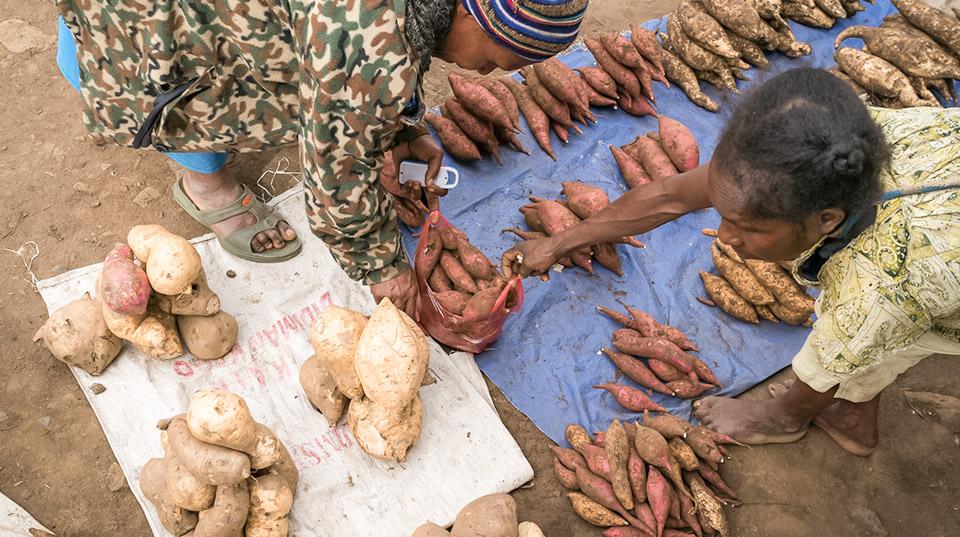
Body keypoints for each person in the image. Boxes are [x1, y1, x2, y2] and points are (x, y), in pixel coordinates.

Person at [502, 68, 960, 456]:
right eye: (723, 216)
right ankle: (853, 415)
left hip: (937, 264)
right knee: (881, 335)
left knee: (870, 337)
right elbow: (670, 196)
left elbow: (833, 352)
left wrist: (794, 402)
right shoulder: (830, 153)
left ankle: (784, 420)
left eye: (747, 228)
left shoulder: (885, 282)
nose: (723, 238)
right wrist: (561, 241)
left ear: (827, 220)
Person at [55, 0, 589, 317]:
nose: (492, 75)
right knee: (180, 79)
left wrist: (400, 124)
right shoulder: (369, 42)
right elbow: (334, 183)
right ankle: (205, 185)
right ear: (478, 17)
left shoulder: (404, 21)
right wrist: (383, 266)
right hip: (142, 14)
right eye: (499, 60)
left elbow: (376, 57)